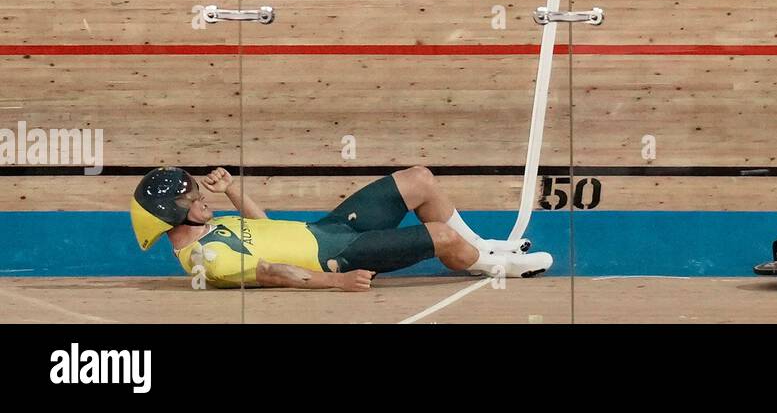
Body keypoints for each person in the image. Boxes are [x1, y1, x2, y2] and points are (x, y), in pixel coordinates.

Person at [130, 166, 550, 290]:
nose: (202, 198)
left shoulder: (214, 226)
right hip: (337, 256)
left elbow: (265, 227)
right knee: (440, 237)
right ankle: (495, 266)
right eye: (192, 200)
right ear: (171, 215)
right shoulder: (209, 258)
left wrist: (233, 191)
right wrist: (338, 282)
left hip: (325, 227)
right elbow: (274, 272)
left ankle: (481, 246)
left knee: (419, 179)